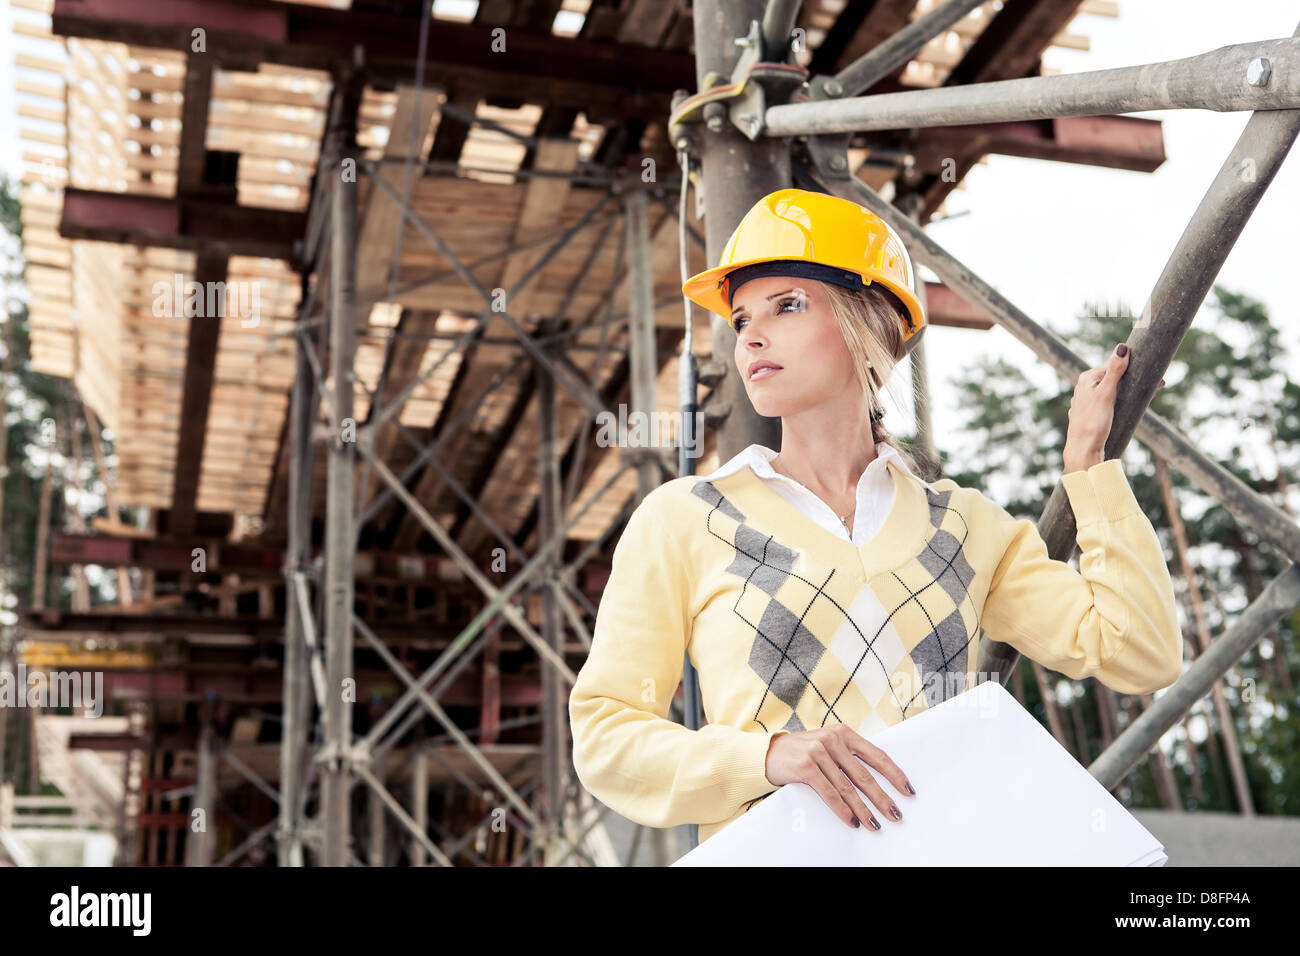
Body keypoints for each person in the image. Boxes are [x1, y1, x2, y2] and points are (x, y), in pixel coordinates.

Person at [568, 187, 1182, 847]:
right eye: (742, 319)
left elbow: (1139, 652)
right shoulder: (686, 518)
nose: (753, 337)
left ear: (871, 324)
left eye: (789, 305)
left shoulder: (963, 524)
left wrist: (1089, 467)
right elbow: (607, 736)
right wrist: (767, 757)